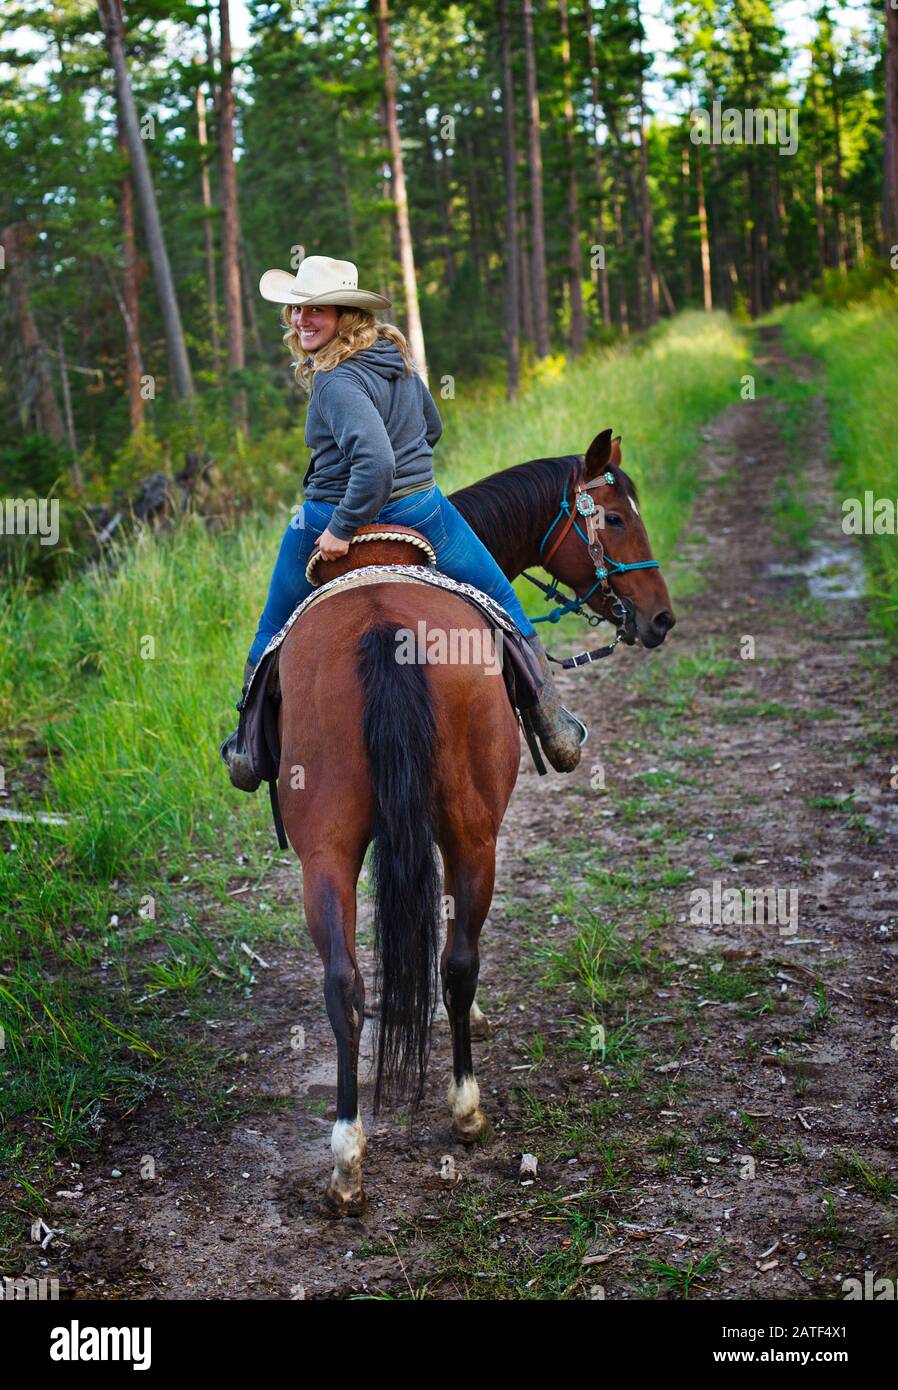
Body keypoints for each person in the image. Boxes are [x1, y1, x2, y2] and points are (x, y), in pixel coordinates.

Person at [220, 254, 585, 789]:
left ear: (346, 314)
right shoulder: (395, 358)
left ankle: (248, 746)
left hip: (330, 511)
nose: (302, 320)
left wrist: (342, 527)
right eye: (298, 309)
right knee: (503, 603)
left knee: (272, 624)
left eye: (317, 310)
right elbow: (430, 429)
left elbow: (376, 462)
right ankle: (550, 719)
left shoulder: (335, 382)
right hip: (425, 509)